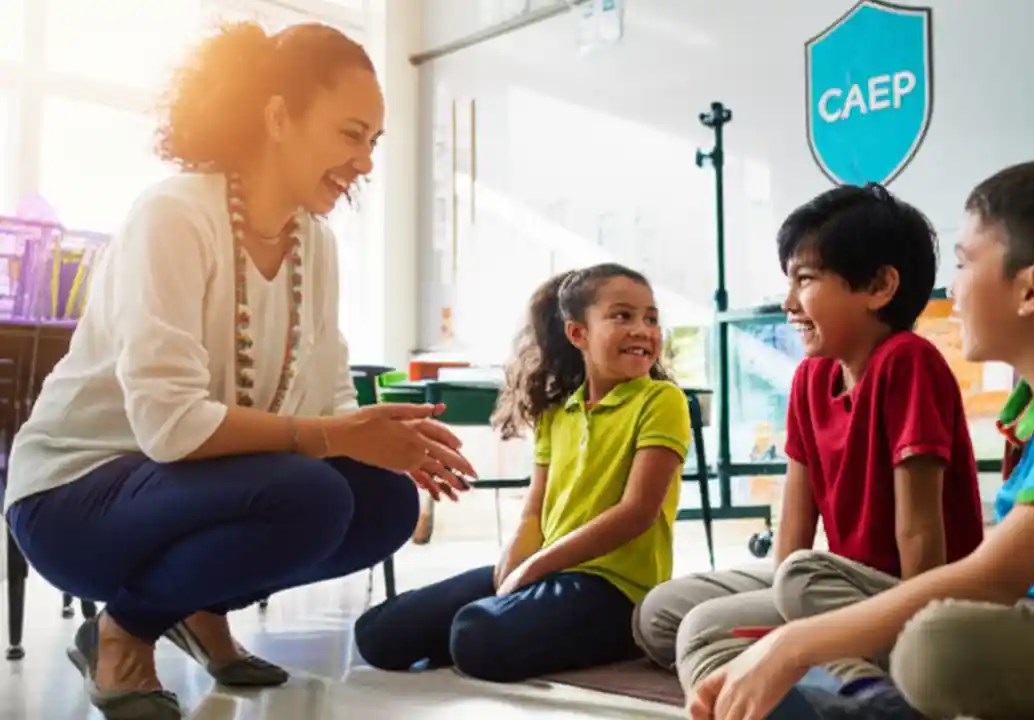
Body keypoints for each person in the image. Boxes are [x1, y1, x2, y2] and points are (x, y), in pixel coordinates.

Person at [3, 22, 475, 720]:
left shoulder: (315, 244)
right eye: (351, 135)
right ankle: (123, 631)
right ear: (278, 116)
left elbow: (328, 394)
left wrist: (388, 444)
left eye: (373, 143)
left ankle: (197, 609)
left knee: (383, 503)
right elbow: (170, 428)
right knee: (312, 492)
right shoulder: (173, 215)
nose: (365, 163)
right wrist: (340, 434)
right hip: (77, 501)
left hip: (188, 492)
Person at [688, 155, 1034, 720]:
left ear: (1033, 288)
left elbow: (993, 576)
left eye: (964, 262)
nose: (951, 291)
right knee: (709, 636)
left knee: (936, 645)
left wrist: (797, 642)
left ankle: (866, 701)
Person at [633, 184, 984, 697]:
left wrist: (921, 636)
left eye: (806, 279)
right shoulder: (811, 378)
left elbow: (920, 532)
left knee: (795, 582)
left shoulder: (907, 360)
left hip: (910, 595)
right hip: (834, 589)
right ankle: (821, 675)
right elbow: (796, 517)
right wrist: (781, 602)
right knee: (661, 615)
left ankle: (865, 689)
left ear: (880, 286)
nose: (789, 302)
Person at [354, 263, 693, 682]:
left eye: (651, 318)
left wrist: (534, 570)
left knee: (476, 635)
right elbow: (534, 510)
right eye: (622, 315)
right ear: (577, 334)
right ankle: (508, 622)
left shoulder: (663, 400)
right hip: (551, 570)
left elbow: (636, 512)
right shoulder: (557, 413)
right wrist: (510, 568)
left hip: (617, 591)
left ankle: (590, 633)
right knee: (377, 635)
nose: (643, 329)